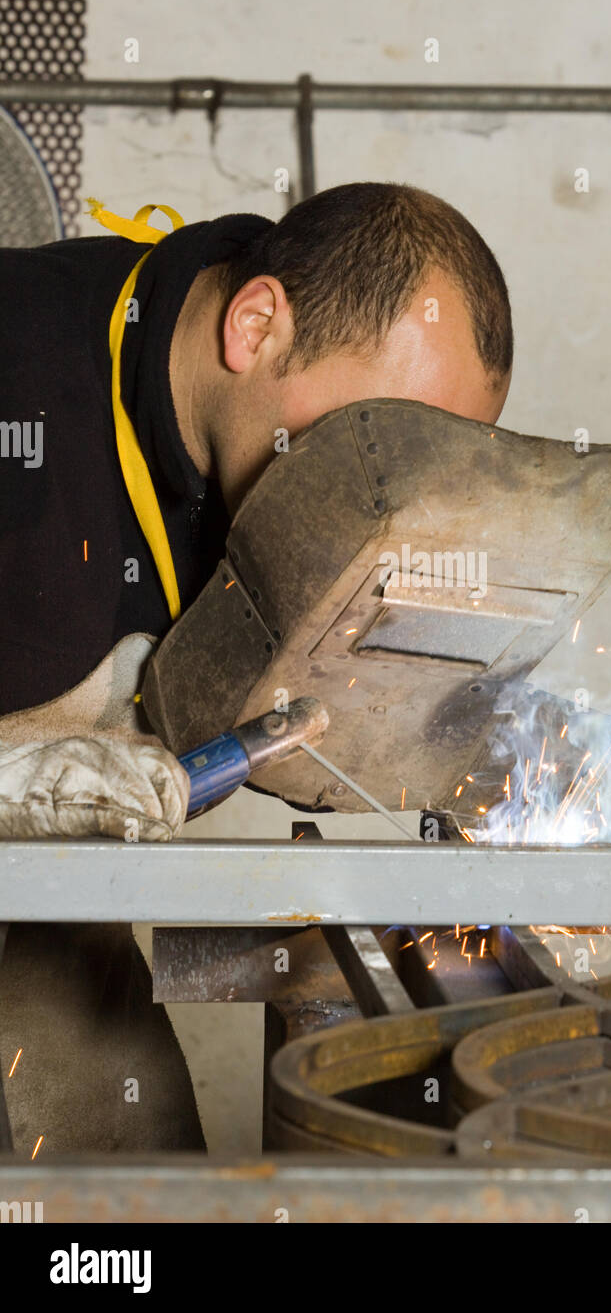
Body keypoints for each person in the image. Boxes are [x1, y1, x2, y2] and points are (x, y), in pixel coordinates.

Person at [0, 181, 513, 1151]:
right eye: (368, 445)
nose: (384, 507)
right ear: (256, 324)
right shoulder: (21, 364)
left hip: (53, 948)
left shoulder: (245, 457)